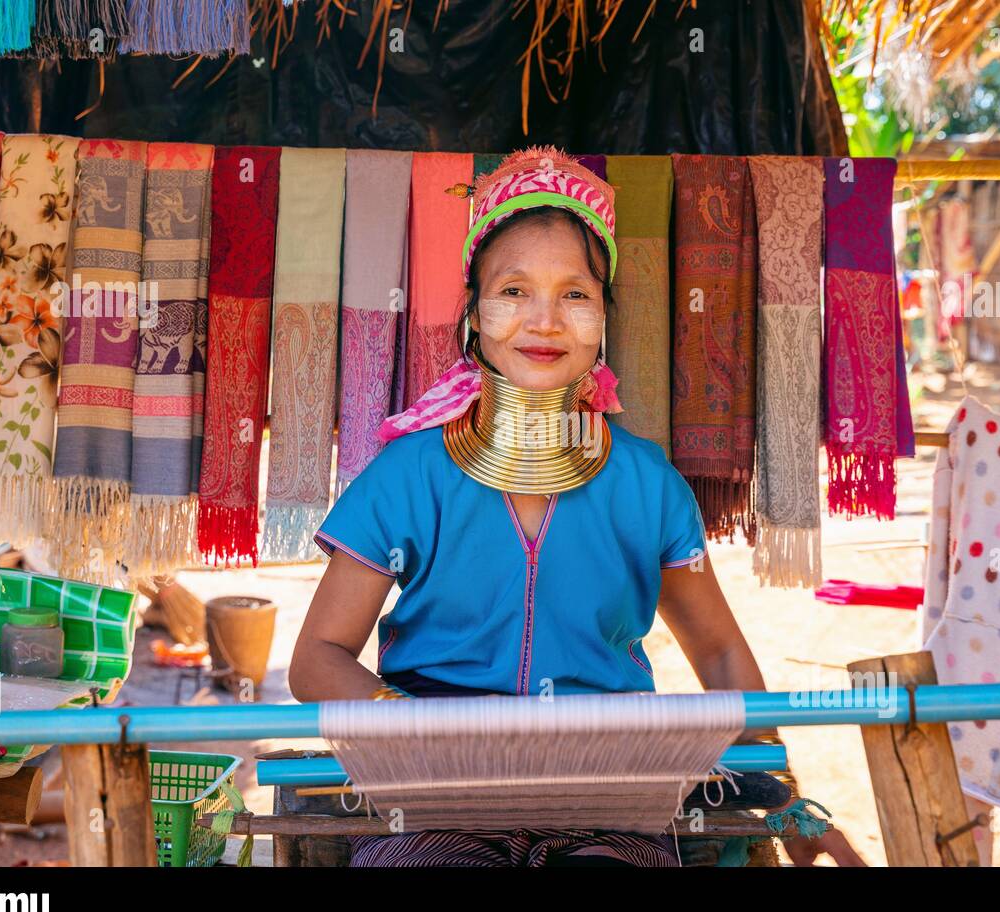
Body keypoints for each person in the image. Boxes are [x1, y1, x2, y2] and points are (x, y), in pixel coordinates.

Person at [290, 146, 857, 867]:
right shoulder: (409, 475)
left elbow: (717, 651)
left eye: (575, 294)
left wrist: (784, 795)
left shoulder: (646, 486)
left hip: (611, 799)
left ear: (606, 314)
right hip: (433, 799)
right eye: (514, 291)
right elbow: (317, 658)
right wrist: (419, 734)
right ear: (473, 310)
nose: (545, 320)